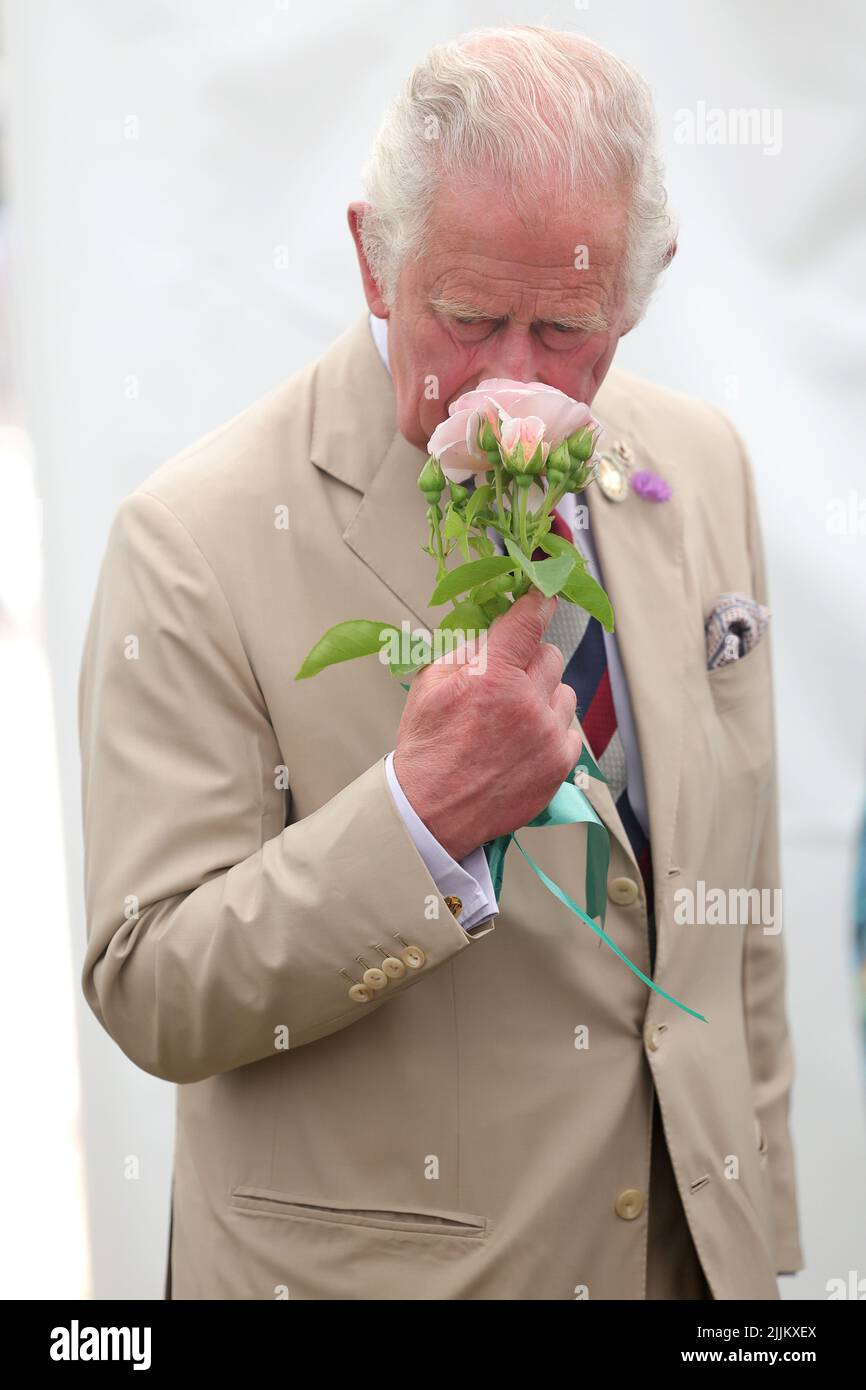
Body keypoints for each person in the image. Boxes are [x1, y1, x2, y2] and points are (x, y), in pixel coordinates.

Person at [78, 24, 803, 1299]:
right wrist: (415, 823)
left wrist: (757, 1264)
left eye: (566, 327)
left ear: (643, 288)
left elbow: (730, 916)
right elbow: (150, 985)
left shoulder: (700, 467)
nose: (510, 383)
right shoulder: (189, 538)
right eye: (466, 318)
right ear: (372, 258)